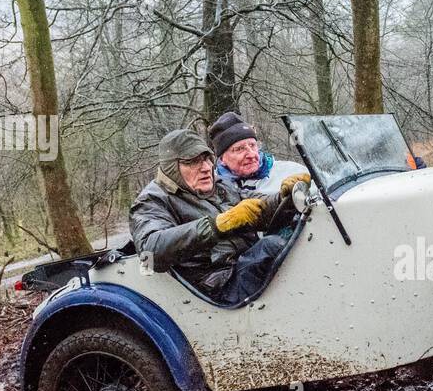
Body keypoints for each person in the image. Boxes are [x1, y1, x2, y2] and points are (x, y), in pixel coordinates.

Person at [129, 129, 309, 306]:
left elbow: (253, 205)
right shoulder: (152, 201)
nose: (206, 168)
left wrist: (283, 197)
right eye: (193, 162)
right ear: (172, 168)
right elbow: (150, 251)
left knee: (295, 237)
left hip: (242, 266)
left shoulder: (219, 185)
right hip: (215, 286)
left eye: (207, 159)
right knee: (271, 246)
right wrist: (216, 226)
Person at [209, 111, 303, 194]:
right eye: (240, 149)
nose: (252, 154)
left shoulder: (291, 173)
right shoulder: (209, 186)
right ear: (222, 158)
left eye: (253, 145)